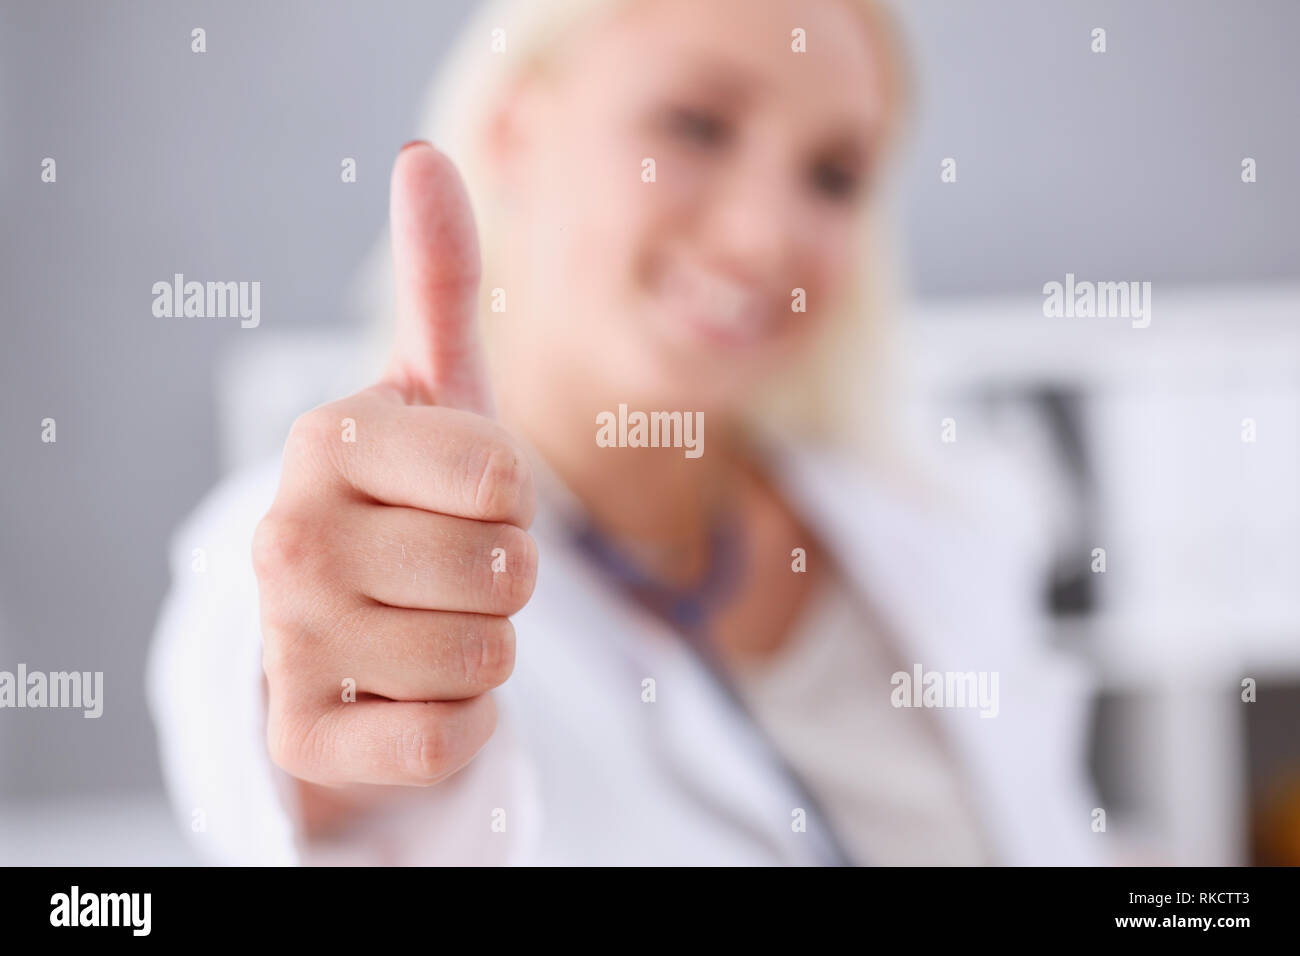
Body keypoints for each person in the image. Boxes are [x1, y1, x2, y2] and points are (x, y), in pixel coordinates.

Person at [148, 0, 1103, 865]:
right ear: (513, 133)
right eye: (695, 125)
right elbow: (300, 732)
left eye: (833, 174)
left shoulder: (936, 524)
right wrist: (348, 722)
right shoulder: (327, 547)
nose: (766, 235)